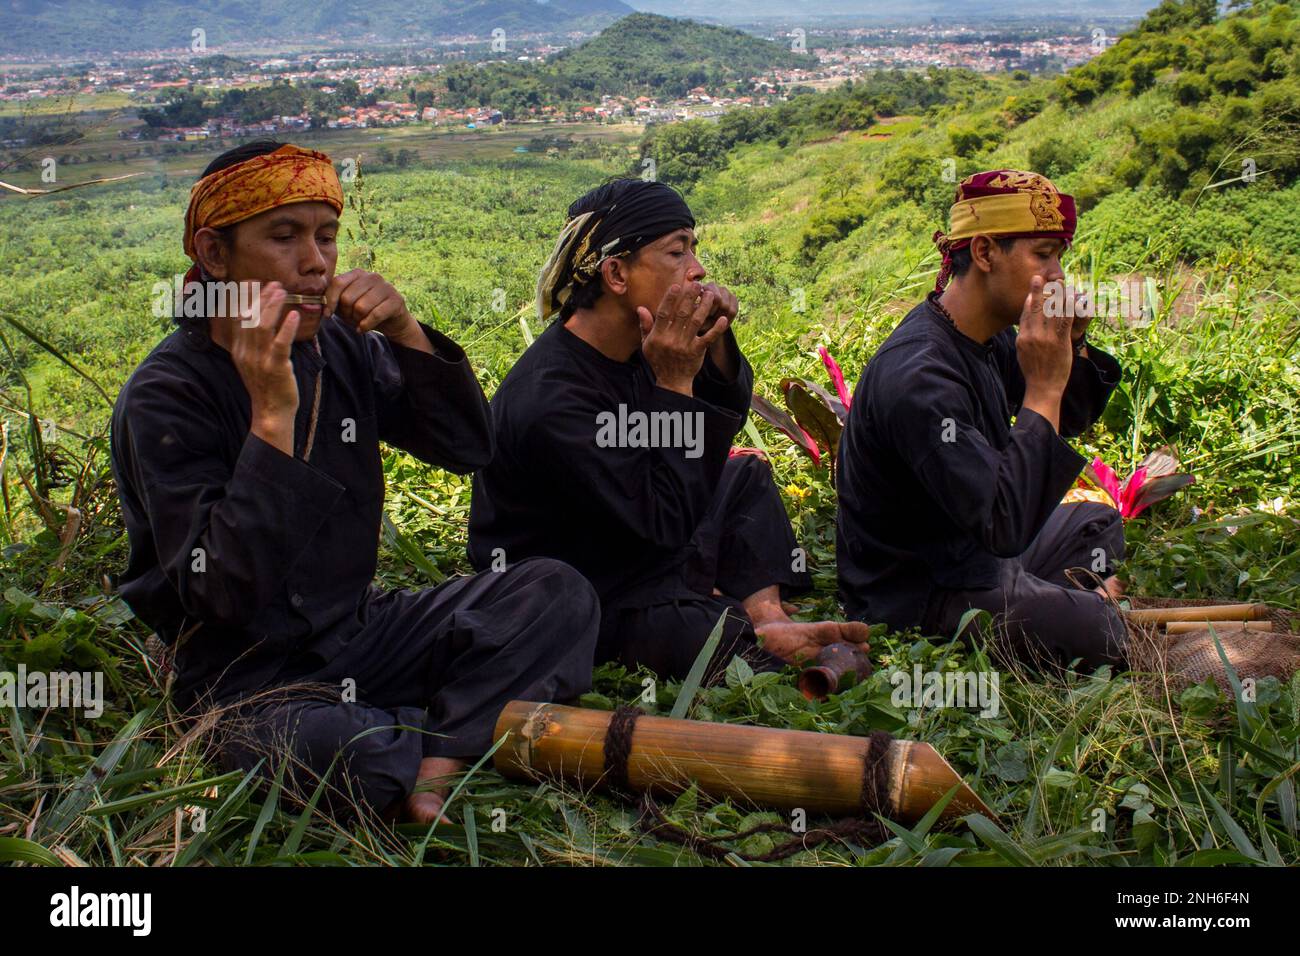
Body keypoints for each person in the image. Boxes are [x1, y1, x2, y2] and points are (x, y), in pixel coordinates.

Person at [110, 141, 598, 823]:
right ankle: (424, 734)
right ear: (213, 255)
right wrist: (273, 417)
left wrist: (405, 332)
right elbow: (219, 593)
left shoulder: (338, 346)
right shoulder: (167, 396)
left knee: (556, 592)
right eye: (284, 237)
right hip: (246, 680)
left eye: (327, 235)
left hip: (359, 634)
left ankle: (429, 756)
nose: (316, 260)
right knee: (342, 747)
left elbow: (468, 447)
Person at [468, 178, 869, 682]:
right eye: (677, 252)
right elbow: (664, 523)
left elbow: (725, 411)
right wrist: (674, 379)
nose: (697, 269)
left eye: (693, 250)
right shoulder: (552, 398)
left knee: (744, 477)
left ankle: (768, 617)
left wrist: (714, 341)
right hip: (584, 581)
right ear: (616, 273)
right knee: (684, 631)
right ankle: (750, 635)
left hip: (635, 535)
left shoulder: (639, 341)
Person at [836, 170, 1127, 671]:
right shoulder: (920, 374)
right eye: (1043, 255)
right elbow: (1003, 524)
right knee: (1100, 630)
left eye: (1060, 257)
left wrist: (1070, 347)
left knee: (1095, 521)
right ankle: (1068, 609)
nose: (1057, 276)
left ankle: (1048, 602)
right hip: (924, 593)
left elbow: (1071, 416)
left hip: (983, 555)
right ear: (987, 251)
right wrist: (1041, 387)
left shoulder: (985, 335)